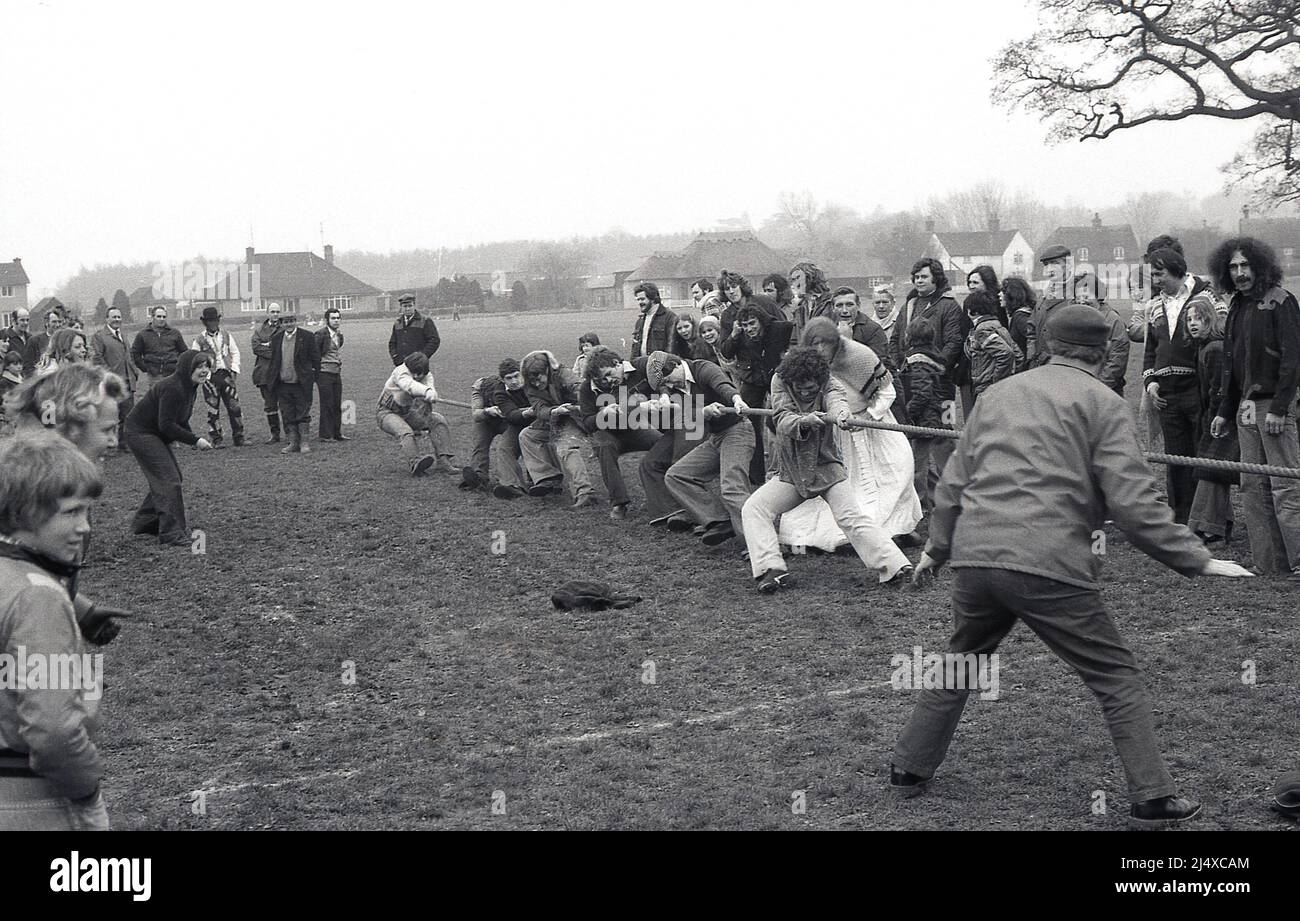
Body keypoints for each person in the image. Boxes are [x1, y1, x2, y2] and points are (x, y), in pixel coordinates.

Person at [891, 304, 1253, 828]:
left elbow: (953, 483)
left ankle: (908, 767)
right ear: (1106, 350)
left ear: (1047, 345)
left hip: (976, 558)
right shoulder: (1104, 404)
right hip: (1047, 561)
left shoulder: (997, 395)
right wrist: (1196, 558)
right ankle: (1153, 797)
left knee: (962, 659)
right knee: (1115, 674)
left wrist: (936, 549)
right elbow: (1134, 504)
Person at [0, 432, 110, 830]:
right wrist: (86, 788)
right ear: (27, 511)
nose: (85, 527)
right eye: (72, 512)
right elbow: (52, 731)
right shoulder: (39, 597)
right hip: (32, 802)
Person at [743, 347, 914, 592]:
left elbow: (837, 401)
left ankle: (897, 568)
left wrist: (842, 415)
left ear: (820, 380)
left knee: (850, 517)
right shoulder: (779, 380)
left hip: (826, 466)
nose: (805, 392)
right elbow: (781, 417)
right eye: (800, 388)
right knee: (755, 508)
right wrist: (804, 421)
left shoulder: (830, 382)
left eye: (811, 388)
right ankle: (772, 569)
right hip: (792, 470)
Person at [777, 319, 923, 553]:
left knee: (896, 468)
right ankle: (843, 535)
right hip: (835, 428)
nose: (820, 350)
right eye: (814, 344)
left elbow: (888, 391)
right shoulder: (806, 362)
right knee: (848, 485)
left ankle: (897, 528)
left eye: (824, 344)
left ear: (835, 342)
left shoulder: (859, 355)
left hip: (871, 422)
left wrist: (869, 415)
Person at [1209, 237, 1300, 579]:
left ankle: (1298, 559)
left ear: (1259, 265)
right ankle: (1269, 563)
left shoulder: (1281, 301)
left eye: (1245, 265)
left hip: (1274, 407)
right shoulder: (1237, 307)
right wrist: (1223, 409)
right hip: (1244, 410)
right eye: (1233, 267)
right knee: (1251, 485)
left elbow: (1293, 359)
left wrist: (1280, 407)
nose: (1239, 273)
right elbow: (1232, 368)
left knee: (1285, 486)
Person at [1143, 248, 1217, 524]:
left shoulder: (1205, 295)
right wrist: (1151, 382)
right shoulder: (1154, 304)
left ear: (1175, 269)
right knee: (1175, 458)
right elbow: (1151, 350)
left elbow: (1217, 339)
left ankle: (1208, 521)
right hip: (1166, 394)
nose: (1155, 279)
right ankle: (1181, 520)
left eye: (1159, 273)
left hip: (1197, 390)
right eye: (1152, 274)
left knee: (1205, 455)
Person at [651, 351, 753, 547]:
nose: (671, 386)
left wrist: (736, 400)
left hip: (738, 430)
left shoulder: (703, 368)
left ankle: (756, 544)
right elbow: (687, 412)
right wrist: (700, 412)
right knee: (676, 475)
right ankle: (720, 521)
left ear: (677, 365)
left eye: (670, 380)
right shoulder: (676, 384)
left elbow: (722, 385)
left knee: (732, 487)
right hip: (716, 438)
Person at [124, 349, 214, 546]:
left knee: (171, 478)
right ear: (186, 368)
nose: (204, 370)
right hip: (140, 432)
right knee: (168, 479)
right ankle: (171, 533)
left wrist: (193, 437)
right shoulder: (173, 387)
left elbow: (179, 418)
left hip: (154, 432)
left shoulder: (190, 386)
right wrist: (195, 440)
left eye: (207, 366)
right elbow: (166, 424)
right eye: (199, 366)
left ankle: (146, 522)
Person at [582, 347, 661, 520]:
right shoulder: (587, 388)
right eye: (602, 379)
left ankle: (667, 494)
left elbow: (660, 367)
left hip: (635, 428)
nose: (608, 381)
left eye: (609, 374)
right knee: (604, 446)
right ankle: (619, 502)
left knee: (662, 443)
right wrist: (602, 414)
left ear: (617, 363)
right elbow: (587, 422)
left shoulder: (639, 368)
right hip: (608, 433)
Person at [719, 304, 795, 485]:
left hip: (778, 376)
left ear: (761, 321)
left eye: (752, 323)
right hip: (755, 378)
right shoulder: (741, 335)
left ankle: (786, 468)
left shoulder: (779, 328)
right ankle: (755, 475)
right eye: (745, 325)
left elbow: (796, 330)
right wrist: (735, 334)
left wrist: (790, 352)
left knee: (779, 418)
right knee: (746, 416)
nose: (749, 329)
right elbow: (726, 352)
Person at [1185, 297, 1236, 545]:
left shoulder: (1214, 348)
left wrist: (1216, 416)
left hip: (1220, 418)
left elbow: (1220, 389)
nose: (1193, 323)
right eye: (1189, 319)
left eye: (1199, 318)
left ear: (1210, 319)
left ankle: (1207, 526)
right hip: (1213, 415)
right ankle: (1218, 523)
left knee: (1211, 469)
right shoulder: (1205, 347)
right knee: (1213, 468)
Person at [519, 350, 595, 507]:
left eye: (539, 378)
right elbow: (539, 408)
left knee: (565, 447)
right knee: (527, 435)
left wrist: (574, 407)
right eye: (532, 381)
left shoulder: (563, 374)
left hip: (576, 417)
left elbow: (582, 392)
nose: (537, 384)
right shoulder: (529, 385)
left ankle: (585, 492)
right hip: (554, 418)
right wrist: (555, 411)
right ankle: (548, 478)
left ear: (547, 370)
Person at [901, 318, 955, 516]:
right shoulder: (936, 356)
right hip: (939, 413)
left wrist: (909, 412)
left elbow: (921, 392)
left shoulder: (917, 360)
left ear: (909, 337)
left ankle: (922, 504)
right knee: (937, 462)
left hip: (925, 417)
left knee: (918, 464)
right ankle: (936, 499)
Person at [378, 351, 455, 476]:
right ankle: (415, 463)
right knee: (405, 431)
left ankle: (443, 461)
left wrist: (430, 392)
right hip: (386, 412)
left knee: (437, 420)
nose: (416, 376)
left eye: (419, 374)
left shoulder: (427, 375)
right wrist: (427, 391)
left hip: (408, 412)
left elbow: (428, 385)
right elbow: (409, 385)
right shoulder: (400, 372)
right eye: (413, 373)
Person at [463, 359, 533, 496]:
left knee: (507, 446)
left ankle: (521, 482)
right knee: (480, 442)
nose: (513, 381)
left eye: (516, 376)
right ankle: (479, 477)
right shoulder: (479, 387)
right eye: (509, 378)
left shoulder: (522, 386)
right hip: (488, 419)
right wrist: (488, 411)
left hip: (510, 420)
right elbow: (476, 414)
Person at [889, 258, 964, 385]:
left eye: (924, 277)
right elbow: (895, 339)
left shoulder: (949, 305)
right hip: (906, 375)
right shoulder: (908, 305)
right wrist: (898, 366)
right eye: (916, 277)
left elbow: (953, 343)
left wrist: (935, 367)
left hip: (936, 378)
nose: (919, 281)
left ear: (936, 278)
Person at [267, 311, 321, 456]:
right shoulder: (276, 338)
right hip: (283, 384)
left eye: (291, 321)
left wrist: (312, 377)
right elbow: (273, 361)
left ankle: (304, 443)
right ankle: (293, 443)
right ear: (281, 323)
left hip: (301, 383)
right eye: (285, 321)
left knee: (302, 412)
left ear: (295, 321)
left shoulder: (307, 336)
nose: (289, 324)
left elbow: (316, 359)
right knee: (287, 413)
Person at [190, 306, 245, 448]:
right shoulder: (199, 340)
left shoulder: (226, 335)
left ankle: (239, 437)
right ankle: (216, 438)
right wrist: (204, 375)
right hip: (210, 378)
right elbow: (194, 359)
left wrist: (234, 369)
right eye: (210, 321)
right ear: (205, 322)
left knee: (235, 406)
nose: (213, 323)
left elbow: (235, 352)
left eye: (215, 320)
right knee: (213, 409)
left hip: (226, 375)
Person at [1070, 271, 1129, 395]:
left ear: (1099, 295)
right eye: (1078, 297)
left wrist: (1098, 387)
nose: (1082, 301)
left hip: (1106, 390)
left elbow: (1117, 358)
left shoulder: (1113, 320)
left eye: (1087, 296)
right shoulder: (1075, 319)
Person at [90, 306, 137, 450]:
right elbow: (97, 358)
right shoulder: (99, 336)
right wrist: (109, 376)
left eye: (119, 317)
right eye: (114, 317)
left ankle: (124, 443)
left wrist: (134, 372)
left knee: (127, 415)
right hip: (111, 383)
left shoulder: (124, 335)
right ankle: (106, 446)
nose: (117, 320)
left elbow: (129, 356)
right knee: (108, 415)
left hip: (127, 381)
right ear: (107, 319)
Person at [962, 290, 1018, 402]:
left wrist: (996, 382)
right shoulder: (997, 326)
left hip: (986, 388)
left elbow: (1005, 353)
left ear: (972, 311)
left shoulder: (982, 330)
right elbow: (1018, 354)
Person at [1025, 244, 1072, 368]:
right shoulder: (1042, 298)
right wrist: (1032, 358)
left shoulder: (1077, 296)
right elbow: (1031, 330)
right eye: (1046, 264)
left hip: (1064, 368)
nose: (1050, 269)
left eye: (1055, 263)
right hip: (1039, 367)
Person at [129, 305, 186, 397]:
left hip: (172, 374)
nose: (161, 319)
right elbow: (135, 353)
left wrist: (178, 366)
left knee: (173, 399)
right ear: (152, 317)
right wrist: (145, 367)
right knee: (157, 400)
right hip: (154, 375)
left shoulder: (174, 333)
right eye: (158, 316)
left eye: (164, 317)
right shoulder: (143, 334)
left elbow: (184, 352)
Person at [250, 302, 284, 444]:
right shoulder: (259, 330)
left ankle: (290, 433)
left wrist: (269, 345)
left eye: (277, 312)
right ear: (267, 313)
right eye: (272, 311)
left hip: (282, 373)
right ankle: (274, 434)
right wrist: (274, 349)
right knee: (270, 405)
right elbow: (256, 348)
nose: (275, 314)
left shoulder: (285, 328)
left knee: (285, 403)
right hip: (264, 373)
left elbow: (287, 347)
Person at [314, 307, 346, 442]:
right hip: (324, 373)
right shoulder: (320, 335)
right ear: (327, 320)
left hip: (336, 372)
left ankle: (337, 433)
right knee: (327, 403)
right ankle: (325, 435)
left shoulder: (339, 336)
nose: (336, 320)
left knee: (337, 403)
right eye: (333, 318)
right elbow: (314, 354)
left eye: (338, 318)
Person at [388, 294, 441, 366]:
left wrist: (422, 356)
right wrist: (395, 355)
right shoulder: (398, 322)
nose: (407, 308)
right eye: (405, 306)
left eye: (410, 306)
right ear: (401, 307)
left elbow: (434, 340)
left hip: (419, 365)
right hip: (401, 364)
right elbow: (392, 342)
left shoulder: (425, 320)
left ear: (414, 306)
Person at [630, 283, 677, 359]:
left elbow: (672, 346)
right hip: (642, 367)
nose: (639, 303)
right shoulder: (640, 321)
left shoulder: (670, 317)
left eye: (642, 299)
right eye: (637, 300)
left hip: (661, 367)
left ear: (652, 298)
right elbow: (635, 348)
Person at [1001, 276, 1036, 372]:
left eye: (1003, 292)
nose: (999, 295)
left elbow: (1035, 339)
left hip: (1026, 370)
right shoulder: (1023, 314)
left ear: (1013, 295)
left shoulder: (1020, 317)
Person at [22, 307, 65, 379]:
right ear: (46, 323)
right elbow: (28, 367)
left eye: (59, 322)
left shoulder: (66, 341)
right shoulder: (34, 341)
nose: (57, 325)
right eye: (54, 322)